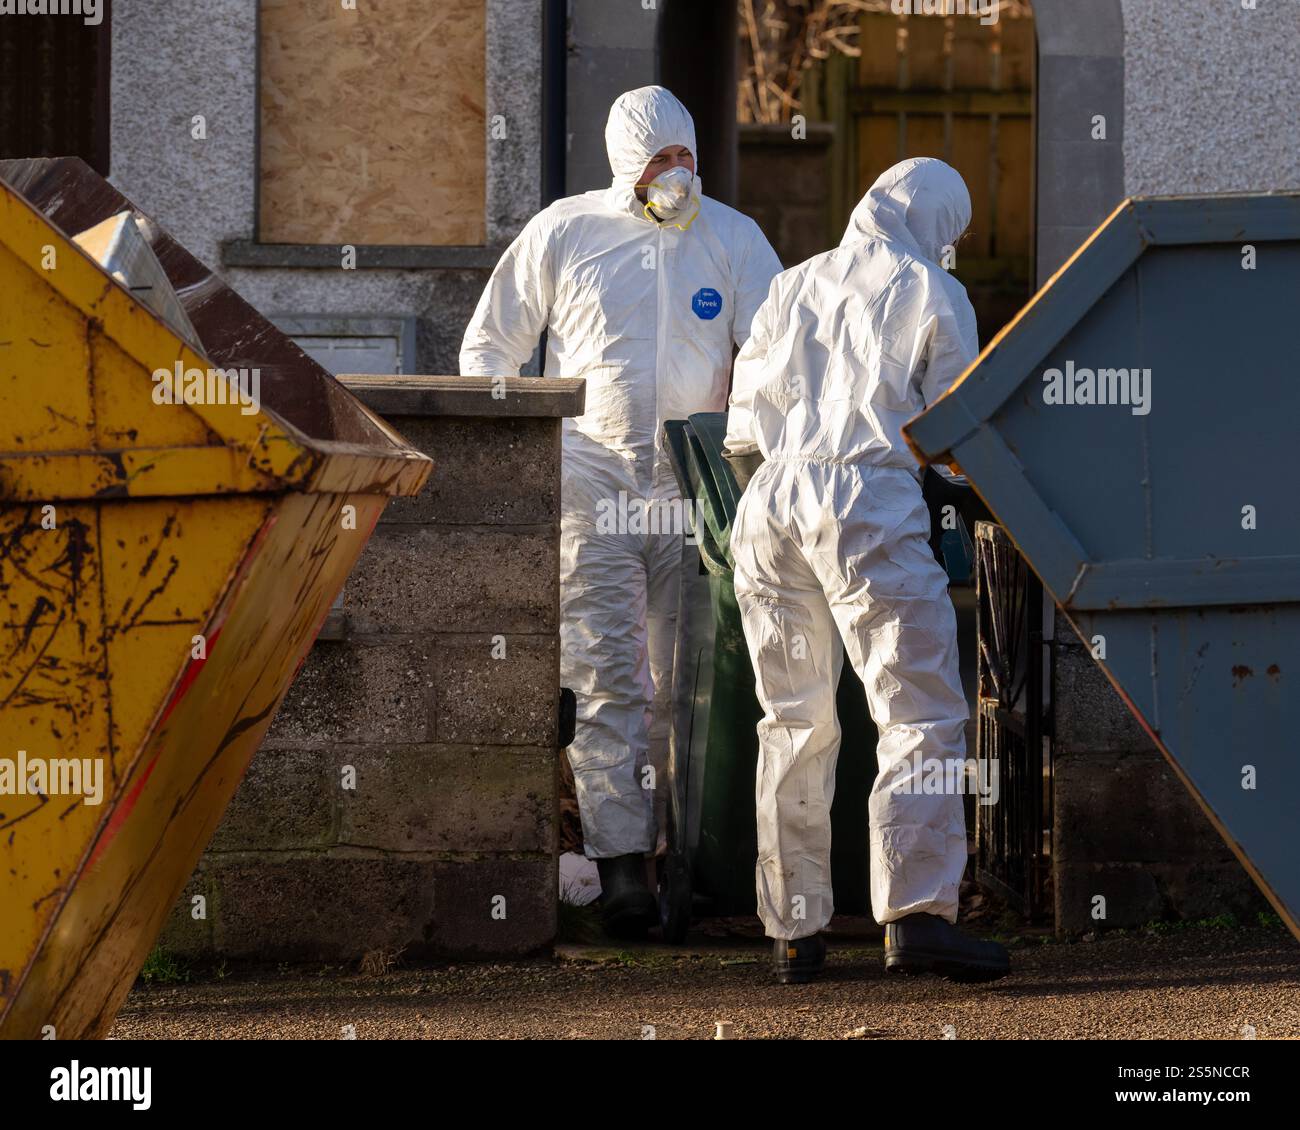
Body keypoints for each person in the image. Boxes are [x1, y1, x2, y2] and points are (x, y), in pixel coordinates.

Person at [461, 86, 782, 938]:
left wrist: (739, 445)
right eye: (657, 162)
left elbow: (778, 353)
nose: (675, 176)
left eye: (684, 158)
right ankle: (621, 867)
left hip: (689, 482)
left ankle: (689, 856)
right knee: (605, 675)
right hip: (593, 480)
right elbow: (489, 345)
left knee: (690, 683)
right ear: (624, 167)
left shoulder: (733, 239)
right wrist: (538, 452)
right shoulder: (566, 233)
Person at [724, 157, 1010, 984]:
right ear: (936, 223)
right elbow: (951, 437)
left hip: (771, 504)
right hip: (866, 499)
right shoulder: (932, 290)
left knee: (792, 719)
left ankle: (792, 933)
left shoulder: (796, 282)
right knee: (917, 709)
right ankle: (917, 917)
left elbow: (742, 430)